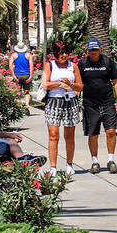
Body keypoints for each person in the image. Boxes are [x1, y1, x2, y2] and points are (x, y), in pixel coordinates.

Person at [79, 38, 117, 174]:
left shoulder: (107, 62)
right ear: (88, 50)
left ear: (100, 49)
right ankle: (95, 161)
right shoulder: (82, 64)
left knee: (110, 131)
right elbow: (78, 83)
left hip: (107, 102)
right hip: (90, 104)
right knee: (93, 134)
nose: (93, 52)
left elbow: (116, 81)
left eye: (96, 49)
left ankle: (111, 160)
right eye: (91, 50)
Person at [42, 40, 83, 176]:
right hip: (54, 101)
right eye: (60, 53)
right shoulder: (50, 65)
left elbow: (80, 86)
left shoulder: (73, 66)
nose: (63, 56)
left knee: (69, 136)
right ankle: (53, 167)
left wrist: (70, 84)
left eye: (65, 53)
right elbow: (45, 84)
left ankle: (69, 164)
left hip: (70, 101)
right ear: (55, 54)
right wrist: (59, 83)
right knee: (54, 135)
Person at [10, 41, 34, 108]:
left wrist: (13, 75)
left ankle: (19, 106)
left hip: (17, 75)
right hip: (26, 75)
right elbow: (31, 66)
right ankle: (27, 105)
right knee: (26, 91)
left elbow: (10, 66)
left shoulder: (14, 55)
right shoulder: (28, 55)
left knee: (17, 92)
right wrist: (31, 76)